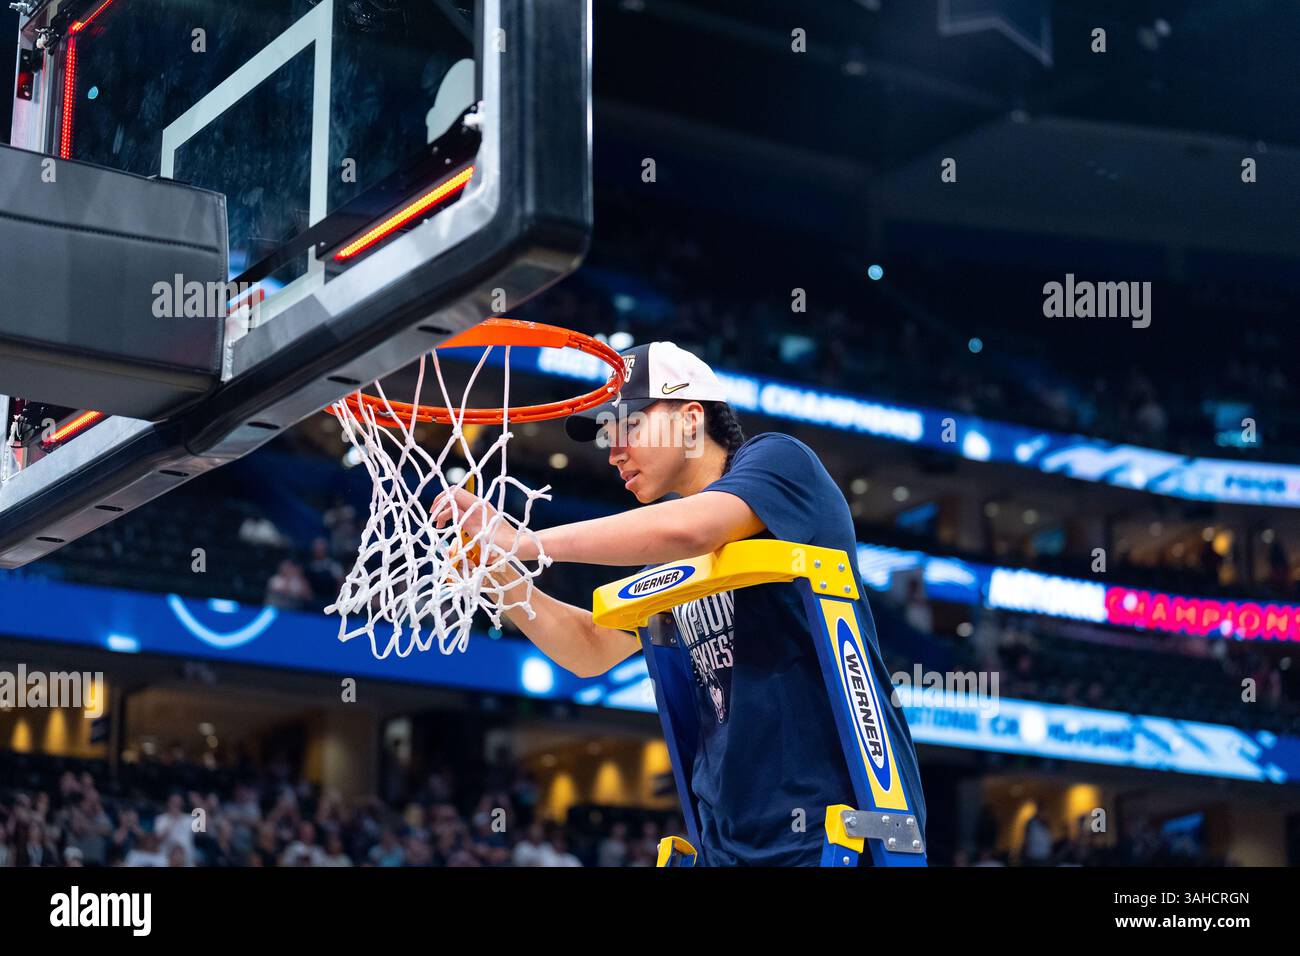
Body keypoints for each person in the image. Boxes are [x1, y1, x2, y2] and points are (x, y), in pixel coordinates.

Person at [433, 341, 926, 866]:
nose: (613, 450)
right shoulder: (672, 565)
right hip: (728, 844)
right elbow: (587, 649)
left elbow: (692, 529)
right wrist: (494, 572)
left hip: (838, 829)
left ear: (691, 417)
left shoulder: (781, 462)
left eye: (628, 427)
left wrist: (525, 541)